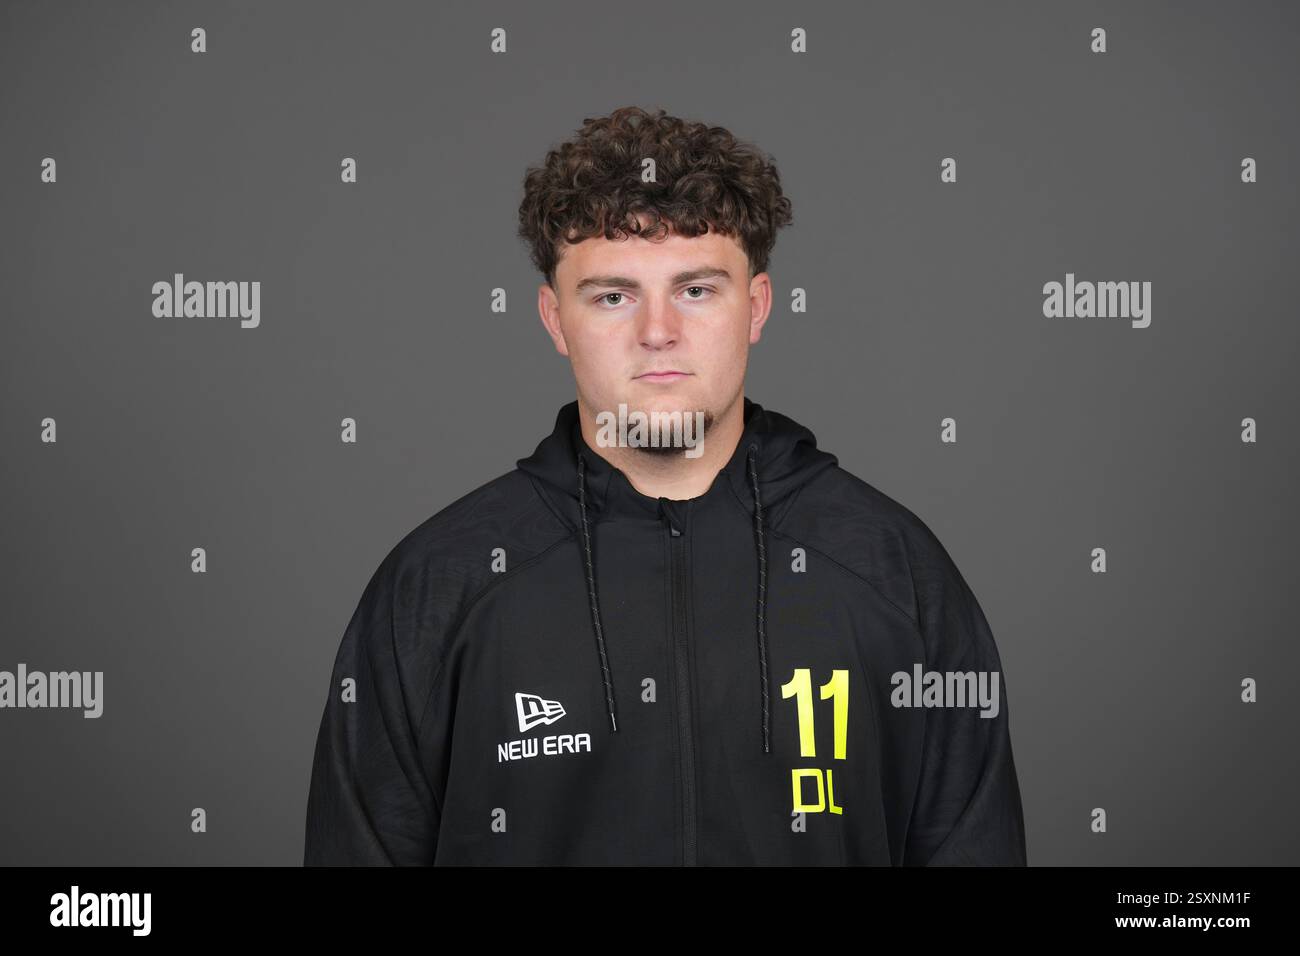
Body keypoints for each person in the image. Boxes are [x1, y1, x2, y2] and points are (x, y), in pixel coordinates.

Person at [304, 105, 1027, 866]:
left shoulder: (894, 573)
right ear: (555, 320)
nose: (657, 331)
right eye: (612, 295)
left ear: (756, 308)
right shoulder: (438, 587)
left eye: (696, 290)